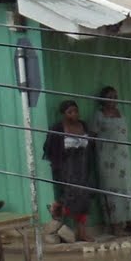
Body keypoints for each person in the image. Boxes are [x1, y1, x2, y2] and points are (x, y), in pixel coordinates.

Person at [90, 86, 131, 236]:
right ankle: (116, 226)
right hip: (107, 160)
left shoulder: (120, 113)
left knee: (127, 188)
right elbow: (92, 136)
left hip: (123, 158)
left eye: (115, 97)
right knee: (111, 190)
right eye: (109, 97)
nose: (112, 100)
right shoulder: (98, 116)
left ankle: (130, 223)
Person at [42, 100, 93, 242]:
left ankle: (82, 232)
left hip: (83, 168)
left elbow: (90, 146)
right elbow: (49, 148)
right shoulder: (58, 128)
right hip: (66, 169)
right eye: (70, 112)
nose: (74, 114)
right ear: (63, 114)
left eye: (76, 111)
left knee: (84, 199)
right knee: (68, 198)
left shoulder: (83, 125)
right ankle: (56, 228)